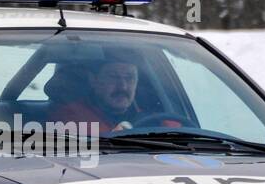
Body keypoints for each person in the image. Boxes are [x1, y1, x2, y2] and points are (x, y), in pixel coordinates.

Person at [47, 50, 182, 131]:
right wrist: (113, 138)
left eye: (130, 78)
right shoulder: (70, 116)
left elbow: (182, 137)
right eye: (113, 77)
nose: (123, 86)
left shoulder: (155, 120)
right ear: (94, 80)